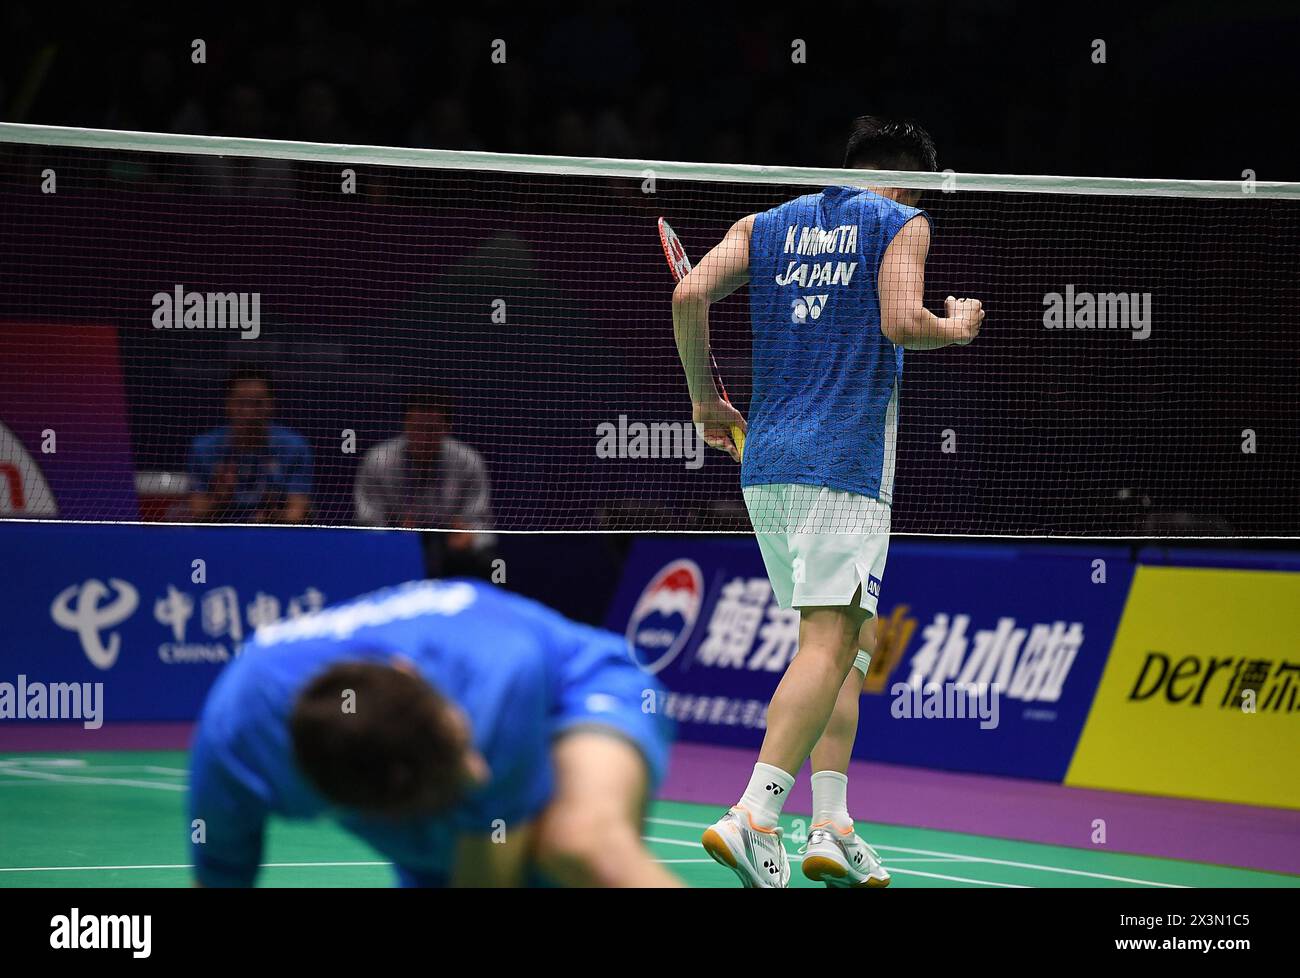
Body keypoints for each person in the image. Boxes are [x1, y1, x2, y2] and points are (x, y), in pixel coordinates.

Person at [671, 116, 984, 887]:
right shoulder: (902, 219)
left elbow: (688, 295)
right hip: (844, 467)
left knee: (852, 645)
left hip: (767, 466)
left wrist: (706, 401)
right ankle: (754, 814)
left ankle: (833, 824)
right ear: (909, 181)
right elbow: (903, 323)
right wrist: (958, 326)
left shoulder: (763, 225)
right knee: (826, 646)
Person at [188, 578, 679, 887]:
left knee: (577, 845)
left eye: (460, 744)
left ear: (409, 673)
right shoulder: (235, 749)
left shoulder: (498, 679)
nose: (476, 771)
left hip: (576, 687)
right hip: (406, 786)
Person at [354, 389, 495, 573]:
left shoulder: (468, 461)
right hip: (396, 540)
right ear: (404, 424)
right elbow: (368, 522)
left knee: (488, 560)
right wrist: (394, 538)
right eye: (416, 428)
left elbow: (481, 524)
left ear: (447, 428)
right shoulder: (379, 461)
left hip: (452, 545)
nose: (423, 438)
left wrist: (469, 535)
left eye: (431, 430)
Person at [188, 366, 313, 523]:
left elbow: (297, 514)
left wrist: (272, 515)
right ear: (228, 404)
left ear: (271, 405)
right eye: (240, 403)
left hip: (275, 533)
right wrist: (220, 495)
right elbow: (198, 511)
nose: (248, 411)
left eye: (257, 403)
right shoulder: (204, 448)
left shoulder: (293, 447)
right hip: (219, 530)